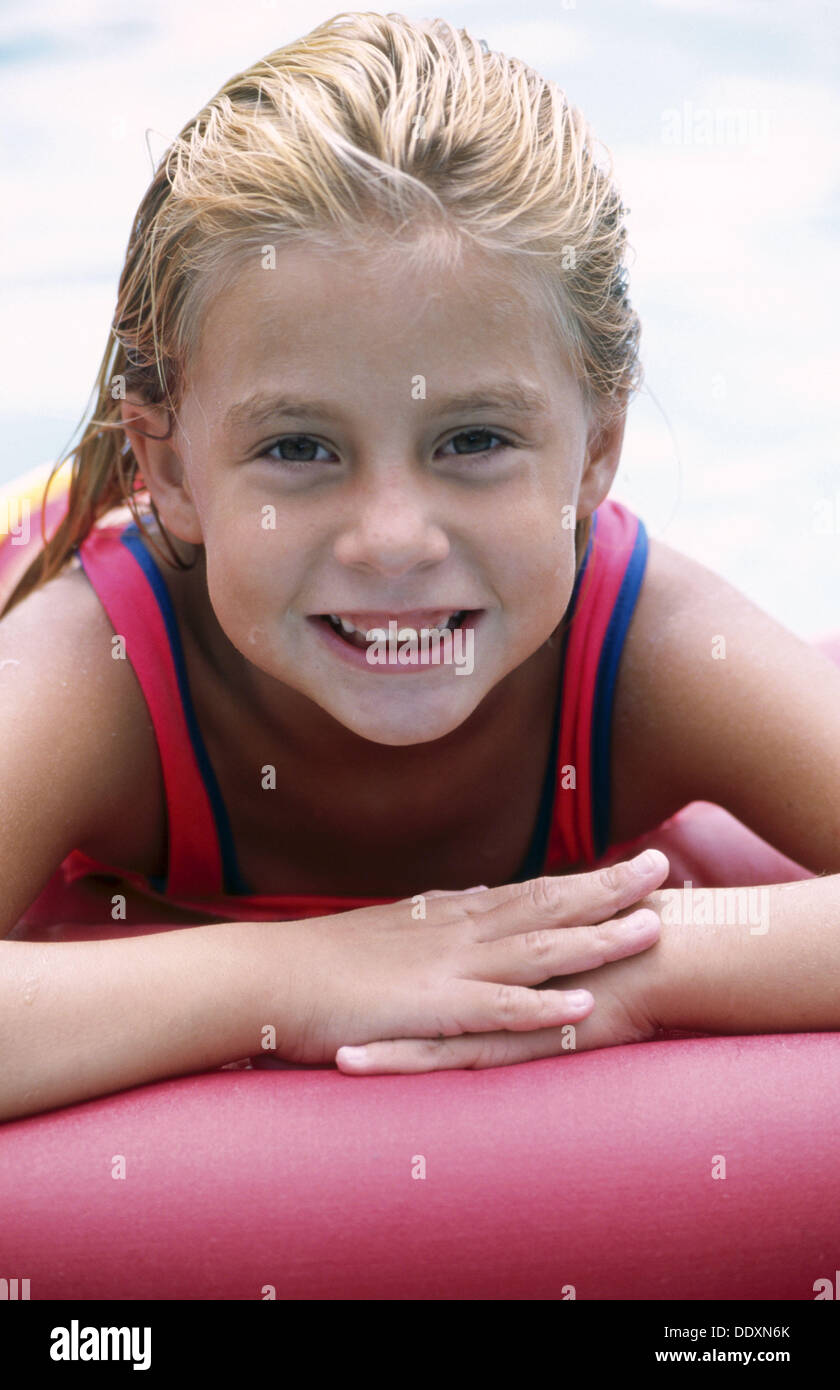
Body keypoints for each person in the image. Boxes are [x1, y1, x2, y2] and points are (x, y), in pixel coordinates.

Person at [1, 13, 839, 1121]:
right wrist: (304, 973)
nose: (394, 539)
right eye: (299, 448)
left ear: (595, 451)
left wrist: (631, 961)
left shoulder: (640, 646)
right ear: (174, 468)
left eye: (474, 441)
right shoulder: (97, 663)